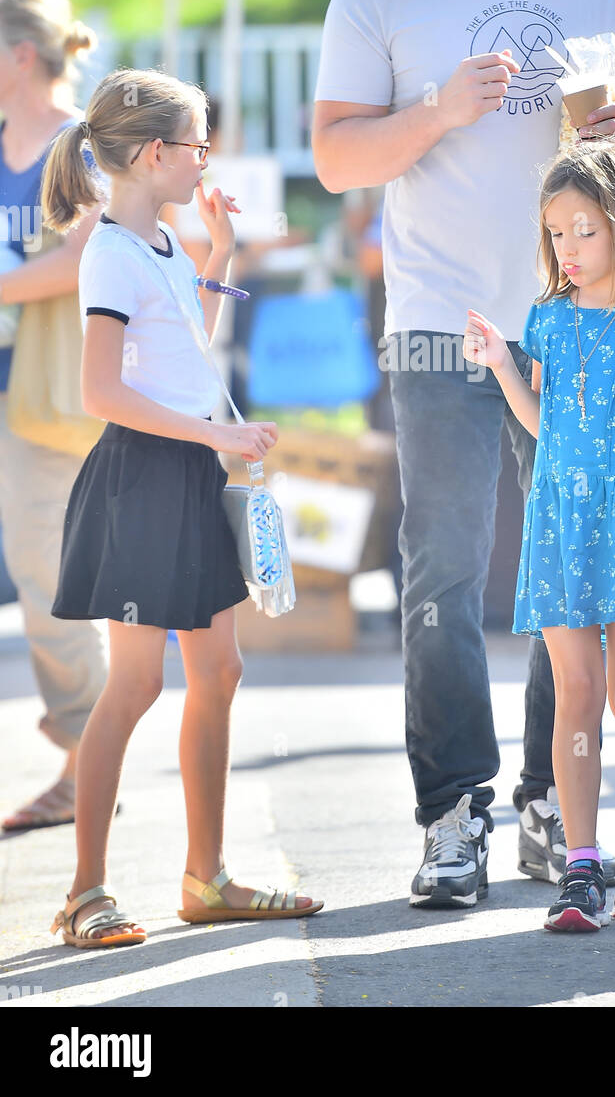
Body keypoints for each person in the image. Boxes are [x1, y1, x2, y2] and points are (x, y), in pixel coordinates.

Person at [312, 0, 615, 906]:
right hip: (441, 326)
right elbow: (336, 158)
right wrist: (435, 110)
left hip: (579, 329)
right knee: (441, 574)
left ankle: (546, 800)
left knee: (565, 572)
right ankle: (450, 812)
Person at [40, 68, 323, 946]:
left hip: (189, 467)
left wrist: (220, 253)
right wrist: (218, 440)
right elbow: (102, 393)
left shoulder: (157, 243)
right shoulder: (110, 252)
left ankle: (207, 878)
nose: (208, 157)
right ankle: (85, 892)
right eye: (200, 144)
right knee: (134, 683)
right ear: (158, 154)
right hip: (143, 476)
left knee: (220, 672)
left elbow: (184, 347)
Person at [464, 138, 615, 930]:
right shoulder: (546, 319)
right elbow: (548, 428)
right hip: (560, 522)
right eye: (555, 233)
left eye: (584, 229)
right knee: (575, 693)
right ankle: (578, 865)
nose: (567, 248)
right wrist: (503, 365)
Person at [0, 0, 107, 833]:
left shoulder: (81, 145)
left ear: (19, 55)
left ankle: (86, 765)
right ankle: (83, 762)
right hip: (15, 399)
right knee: (44, 579)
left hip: (60, 398)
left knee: (57, 578)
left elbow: (85, 257)